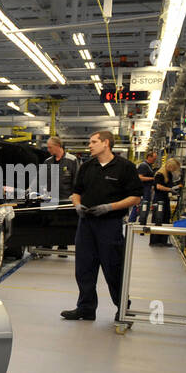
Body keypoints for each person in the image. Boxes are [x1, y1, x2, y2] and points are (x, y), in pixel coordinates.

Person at [60, 130, 143, 322]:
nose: (89, 145)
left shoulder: (125, 167)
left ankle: (122, 308)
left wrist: (109, 207)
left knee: (113, 267)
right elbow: (76, 192)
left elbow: (136, 197)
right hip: (86, 224)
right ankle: (86, 308)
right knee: (84, 268)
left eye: (93, 142)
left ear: (106, 143)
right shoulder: (87, 167)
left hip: (110, 224)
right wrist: (77, 205)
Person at [150, 158, 183, 246]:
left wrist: (176, 187)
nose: (175, 170)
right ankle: (154, 241)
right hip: (159, 199)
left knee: (165, 219)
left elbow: (169, 185)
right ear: (170, 166)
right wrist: (170, 189)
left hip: (165, 199)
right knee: (158, 219)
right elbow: (158, 186)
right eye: (174, 168)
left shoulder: (168, 174)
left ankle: (163, 241)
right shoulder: (160, 174)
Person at [44, 136, 79, 201]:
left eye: (50, 147)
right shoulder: (47, 162)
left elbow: (76, 180)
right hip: (50, 199)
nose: (48, 150)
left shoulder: (72, 160)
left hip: (67, 199)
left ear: (58, 146)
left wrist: (74, 195)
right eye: (48, 147)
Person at [131, 150, 158, 222]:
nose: (155, 160)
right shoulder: (143, 165)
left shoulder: (149, 166)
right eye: (154, 158)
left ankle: (142, 223)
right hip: (143, 190)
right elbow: (140, 177)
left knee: (145, 207)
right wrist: (152, 178)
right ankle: (131, 222)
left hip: (147, 189)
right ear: (149, 157)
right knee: (140, 206)